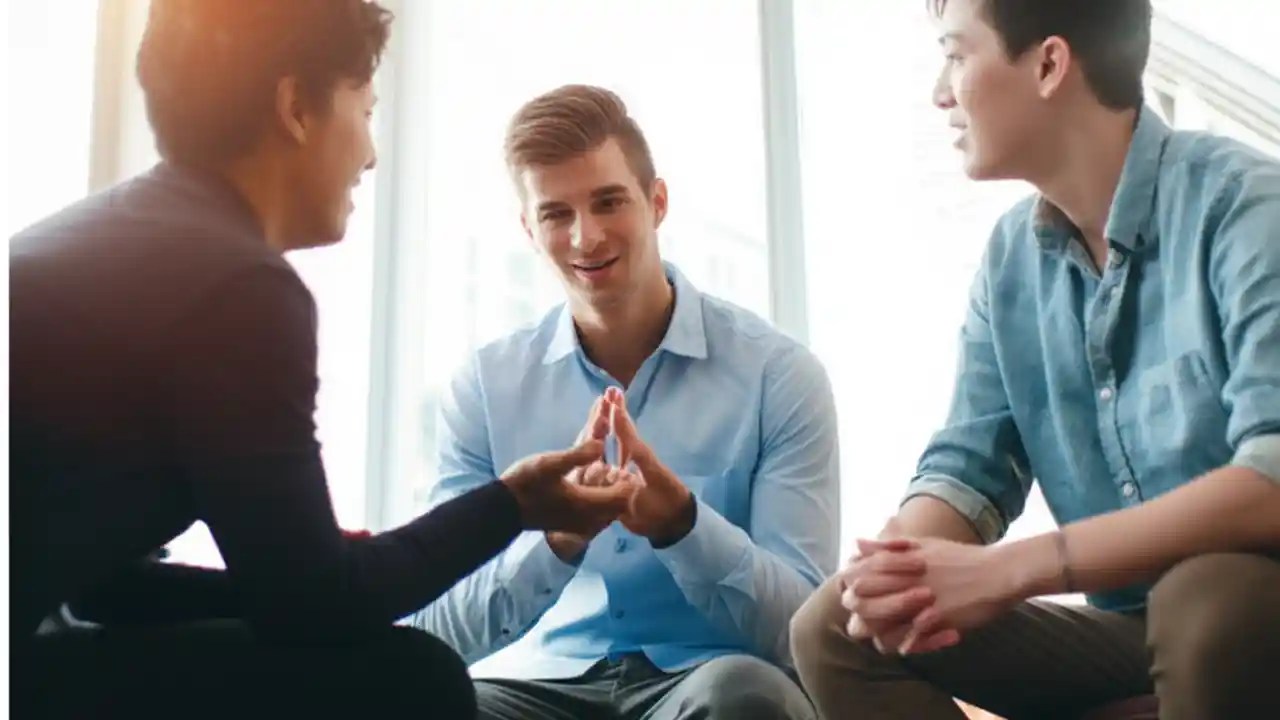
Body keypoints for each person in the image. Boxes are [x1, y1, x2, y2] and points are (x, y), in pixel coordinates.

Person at [9, 3, 634, 717]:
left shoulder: (112, 236)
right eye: (365, 109)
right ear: (296, 108)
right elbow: (315, 604)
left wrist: (314, 572)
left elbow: (112, 586)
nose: (370, 154)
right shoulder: (237, 289)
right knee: (408, 677)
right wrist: (515, 504)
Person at [789, 1, 1280, 719]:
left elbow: (1271, 479)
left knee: (1203, 603)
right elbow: (967, 470)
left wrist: (1014, 570)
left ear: (1049, 64)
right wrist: (893, 573)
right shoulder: (1011, 259)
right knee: (838, 625)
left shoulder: (1245, 209)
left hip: (1246, 615)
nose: (940, 90)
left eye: (957, 55)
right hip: (1128, 633)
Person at [409, 84, 839, 720]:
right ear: (529, 229)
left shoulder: (779, 375)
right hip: (535, 686)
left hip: (708, 680)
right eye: (556, 214)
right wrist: (555, 540)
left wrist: (684, 527)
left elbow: (802, 632)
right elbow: (437, 630)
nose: (586, 237)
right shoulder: (484, 388)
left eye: (608, 202)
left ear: (656, 201)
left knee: (746, 699)